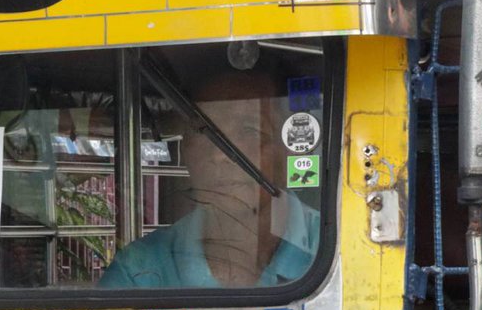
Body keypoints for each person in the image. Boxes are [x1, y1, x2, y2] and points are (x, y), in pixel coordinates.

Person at [100, 67, 320, 288]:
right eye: (201, 131)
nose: (218, 154)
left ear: (288, 151)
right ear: (185, 150)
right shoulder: (137, 273)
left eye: (250, 130)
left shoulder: (342, 248)